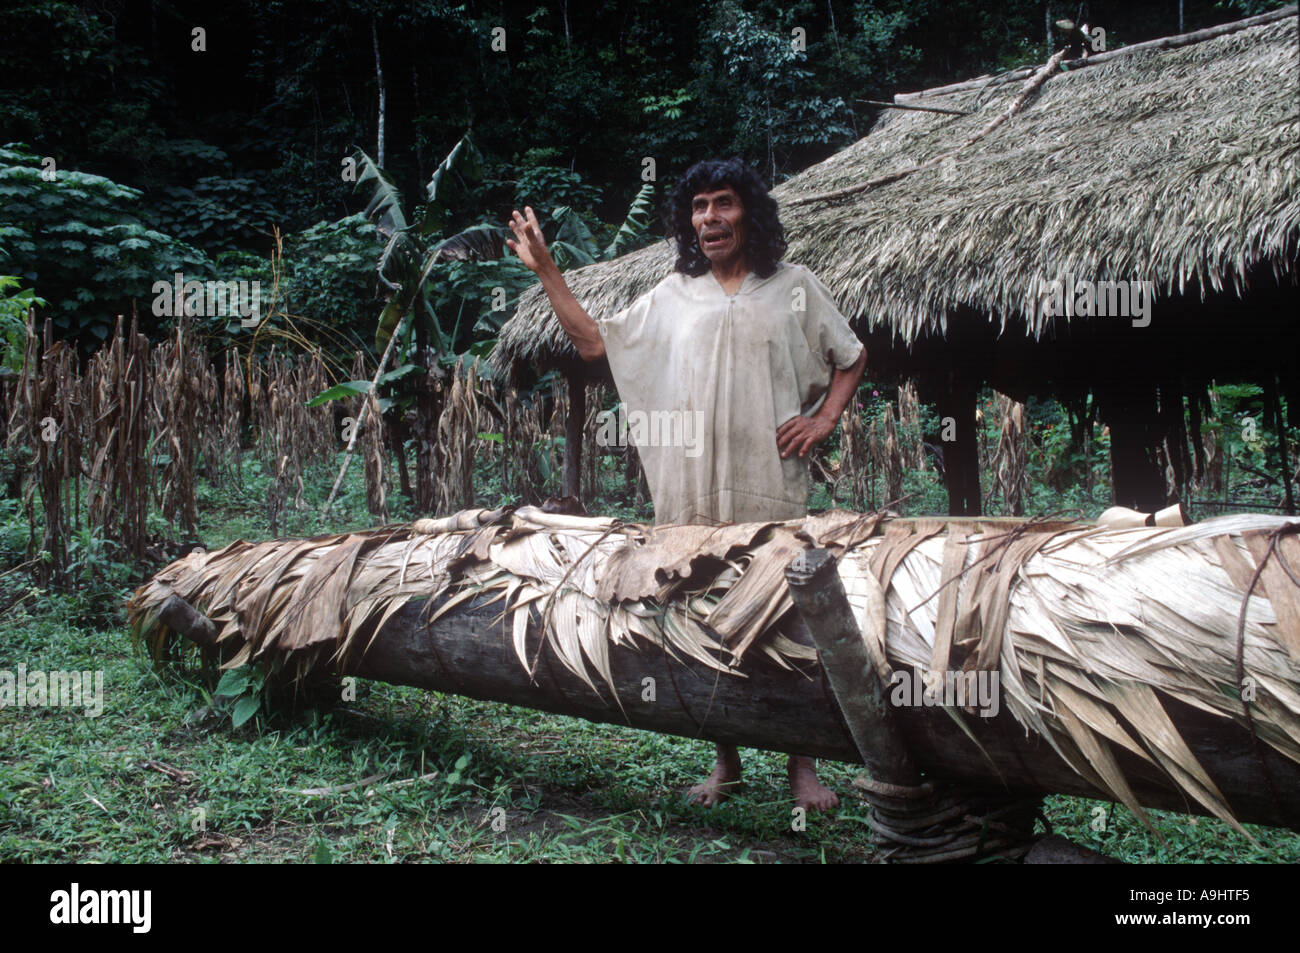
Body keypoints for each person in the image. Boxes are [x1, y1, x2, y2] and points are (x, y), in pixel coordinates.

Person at [507, 157, 868, 811]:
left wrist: (824, 419)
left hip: (771, 488)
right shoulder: (674, 295)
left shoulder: (795, 286)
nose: (710, 219)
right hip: (690, 497)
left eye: (723, 203)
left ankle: (802, 769)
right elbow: (595, 343)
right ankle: (725, 761)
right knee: (703, 618)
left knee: (784, 617)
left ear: (749, 212)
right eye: (699, 207)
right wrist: (547, 270)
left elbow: (851, 355)